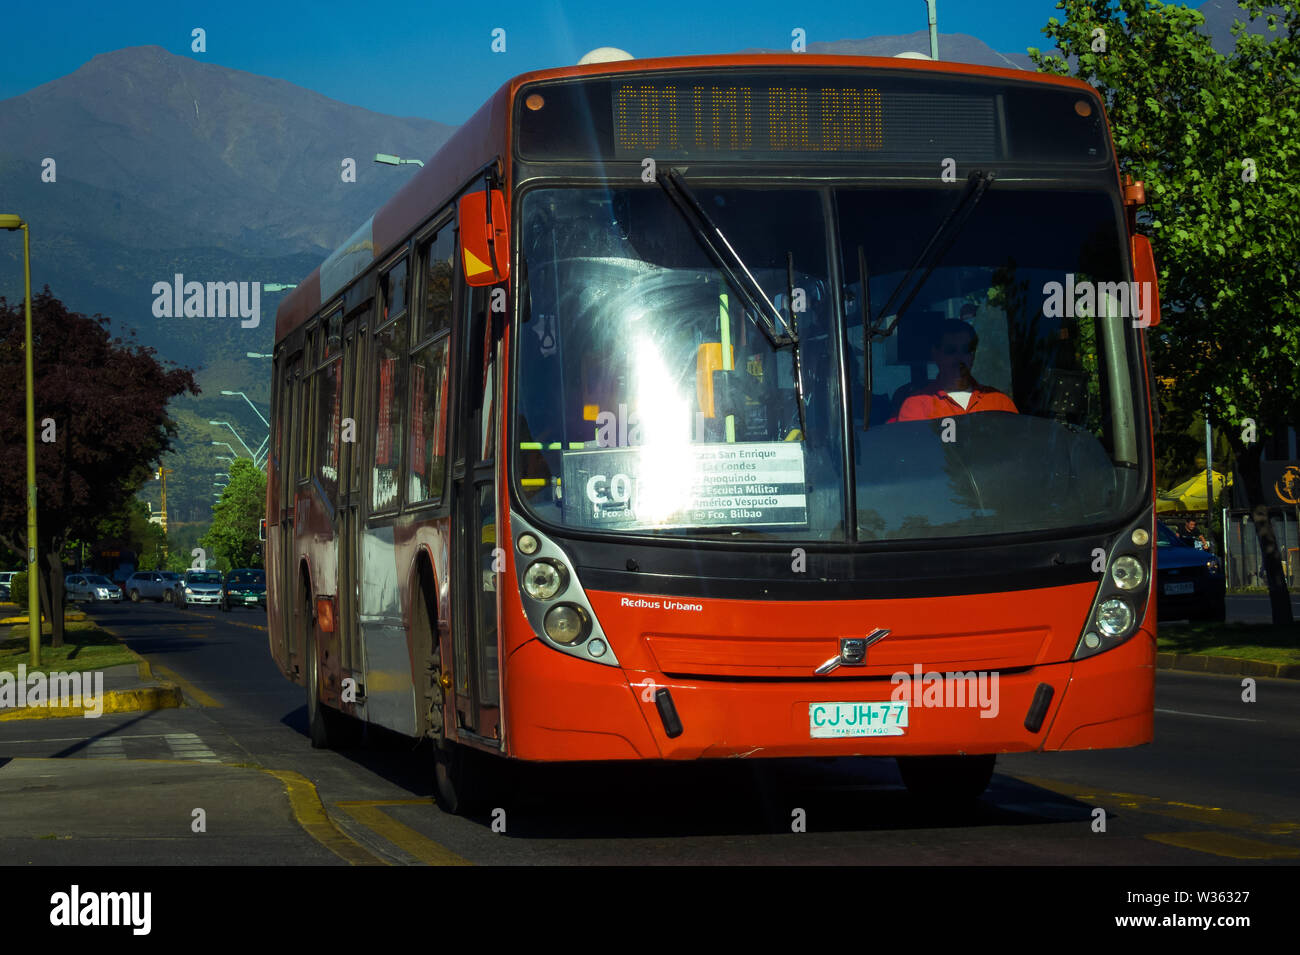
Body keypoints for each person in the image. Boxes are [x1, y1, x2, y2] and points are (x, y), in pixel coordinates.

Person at [889, 319, 1018, 422]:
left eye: (965, 350)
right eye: (951, 351)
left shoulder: (999, 402)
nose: (959, 358)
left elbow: (1015, 449)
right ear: (936, 354)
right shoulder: (917, 405)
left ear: (972, 355)